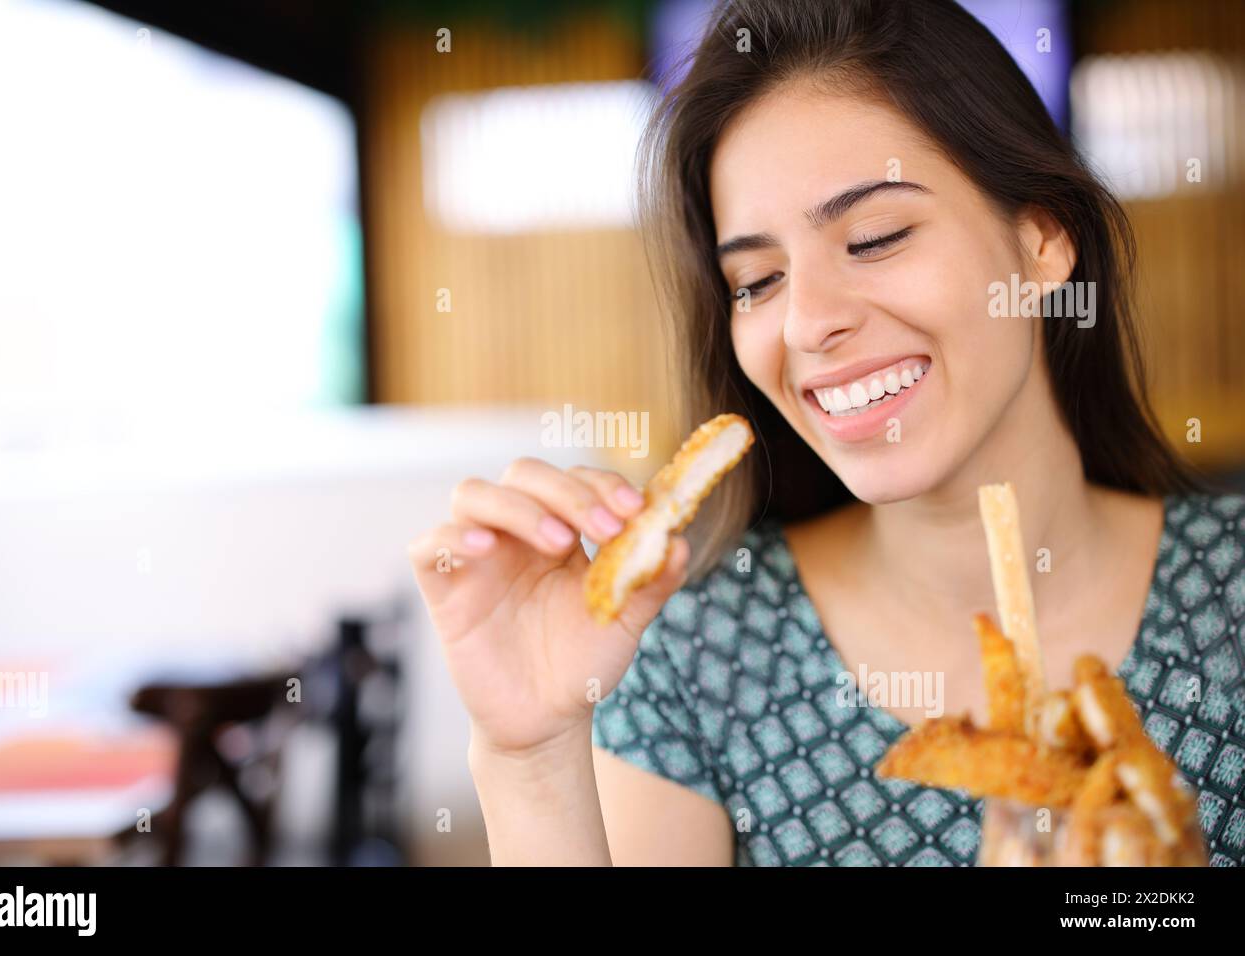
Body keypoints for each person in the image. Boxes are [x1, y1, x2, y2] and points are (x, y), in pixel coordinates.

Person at [406, 0, 1245, 866]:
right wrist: (529, 757)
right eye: (757, 281)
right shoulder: (701, 650)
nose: (807, 324)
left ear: (1041, 243)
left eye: (875, 237)